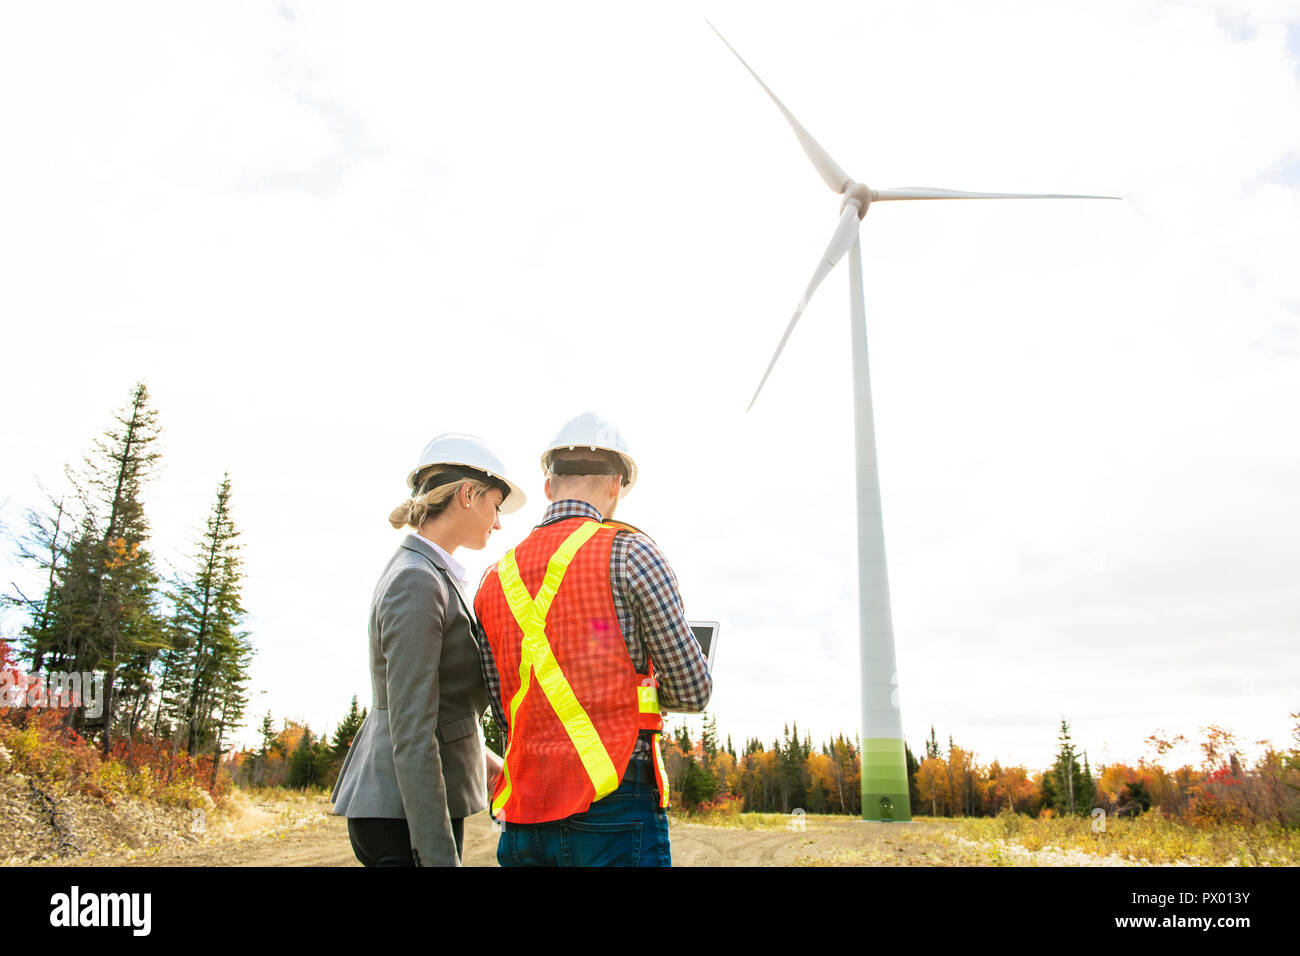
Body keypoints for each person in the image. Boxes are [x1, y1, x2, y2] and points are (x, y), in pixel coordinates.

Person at [474, 412, 712, 867]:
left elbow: (504, 706)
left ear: (548, 486)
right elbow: (693, 691)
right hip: (616, 801)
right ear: (616, 485)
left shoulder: (493, 580)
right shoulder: (632, 552)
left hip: (525, 813)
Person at [331, 433, 525, 867]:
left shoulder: (431, 572)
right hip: (401, 819)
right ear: (468, 494)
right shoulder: (416, 581)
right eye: (496, 506)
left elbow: (440, 707)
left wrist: (485, 760)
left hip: (409, 812)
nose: (498, 523)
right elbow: (413, 730)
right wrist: (438, 857)